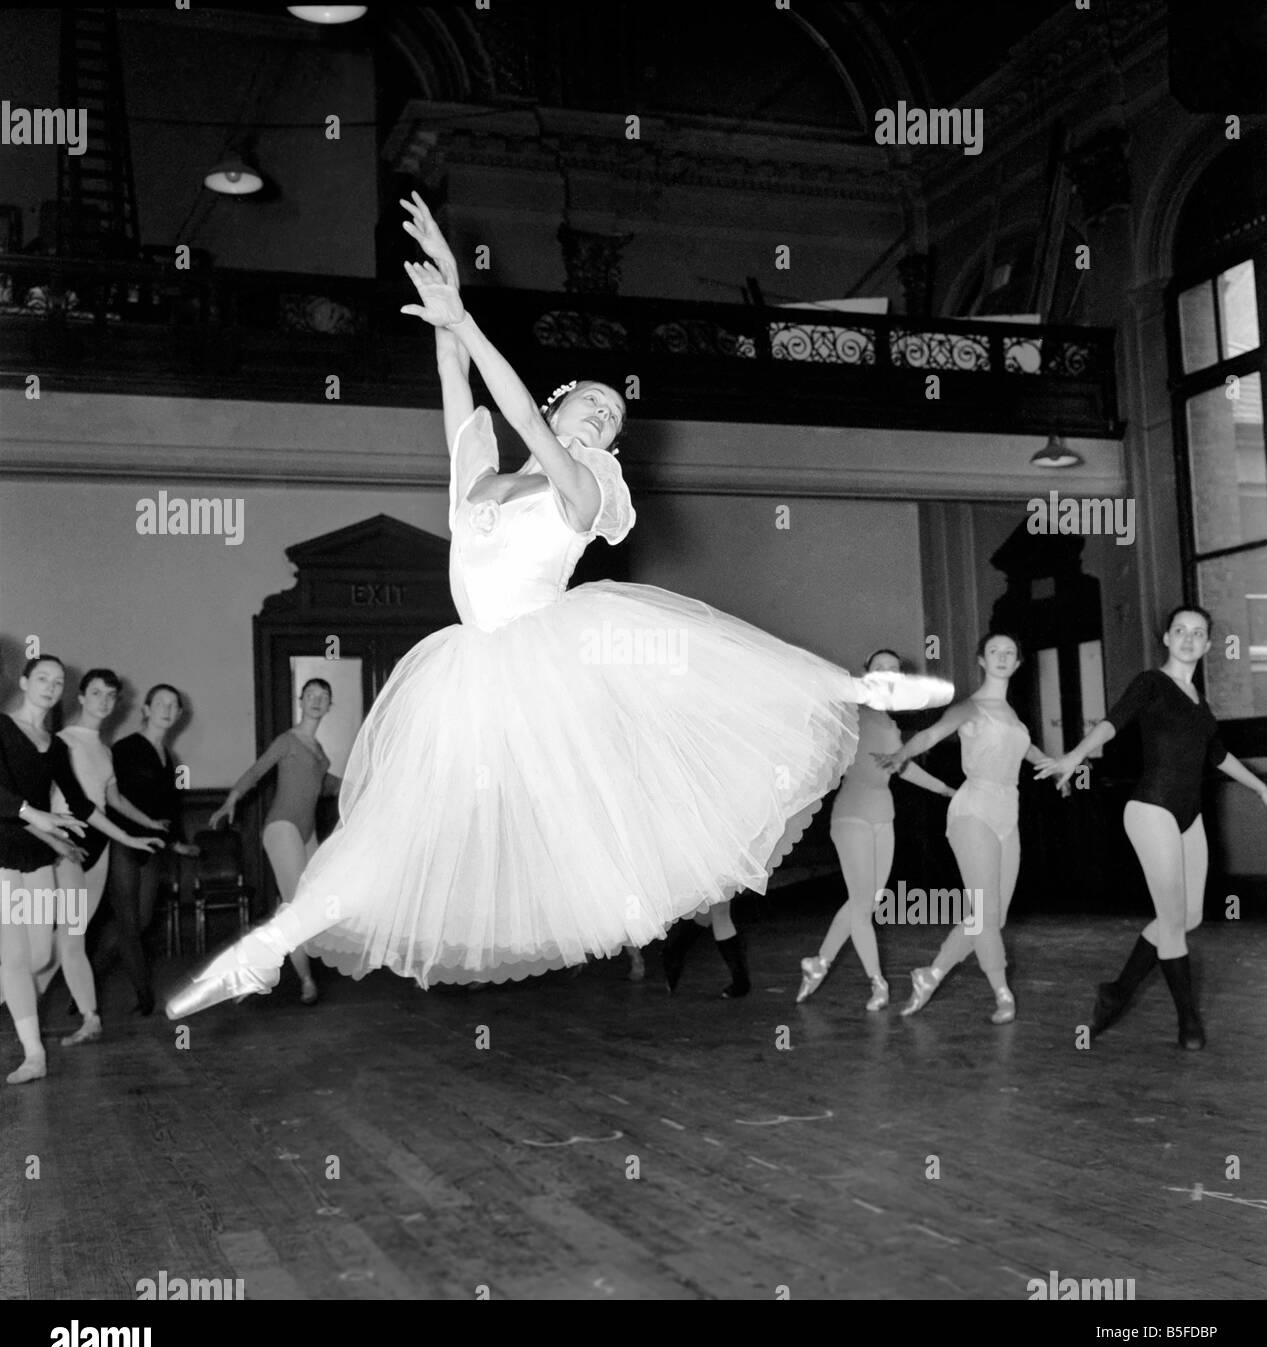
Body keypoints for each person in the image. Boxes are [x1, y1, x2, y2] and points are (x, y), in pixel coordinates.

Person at [165, 194, 952, 1019]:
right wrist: (442, 312)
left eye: (612, 418)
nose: (603, 416)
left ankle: (851, 691)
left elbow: (519, 419)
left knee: (689, 674)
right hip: (469, 669)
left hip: (552, 654)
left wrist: (466, 319)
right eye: (591, 402)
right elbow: (457, 388)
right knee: (392, 836)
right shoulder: (480, 478)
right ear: (559, 401)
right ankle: (267, 949)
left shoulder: (588, 487)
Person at [1038, 605, 1267, 1049]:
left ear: (1207, 643)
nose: (1187, 638)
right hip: (1150, 809)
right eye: (1179, 630)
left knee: (1190, 915)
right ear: (1166, 638)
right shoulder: (1151, 684)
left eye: (1197, 633)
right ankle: (1189, 1023)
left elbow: (1217, 755)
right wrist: (1073, 756)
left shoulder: (1201, 704)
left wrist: (1260, 787)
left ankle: (1118, 991)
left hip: (1188, 815)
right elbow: (1112, 722)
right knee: (1172, 920)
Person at [0, 656, 163, 1083]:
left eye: (57, 681)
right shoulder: (1, 729)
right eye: (42, 679)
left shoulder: (55, 746)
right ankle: (34, 1055)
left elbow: (83, 802)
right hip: (5, 849)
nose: (50, 687)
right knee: (15, 957)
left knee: (39, 953)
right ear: (23, 682)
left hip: (37, 853)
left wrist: (127, 837)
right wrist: (40, 820)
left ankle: (56, 1015)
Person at [877, 632, 1053, 1025]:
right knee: (986, 915)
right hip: (973, 812)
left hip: (1009, 811)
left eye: (1010, 652)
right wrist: (901, 753)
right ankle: (1002, 992)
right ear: (982, 660)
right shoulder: (970, 708)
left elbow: (1033, 755)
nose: (1003, 657)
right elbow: (931, 734)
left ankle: (932, 973)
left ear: (1018, 663)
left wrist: (1063, 766)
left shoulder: (1015, 718)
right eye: (995, 651)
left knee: (992, 916)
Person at [797, 648, 956, 1009]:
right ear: (866, 672)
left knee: (864, 903)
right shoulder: (850, 713)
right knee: (861, 902)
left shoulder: (889, 724)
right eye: (880, 667)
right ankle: (878, 983)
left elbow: (902, 768)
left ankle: (819, 962)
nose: (887, 673)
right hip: (851, 815)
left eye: (894, 670)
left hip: (883, 817)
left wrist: (946, 790)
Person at [38, 668, 169, 1044]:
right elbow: (72, 804)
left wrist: (148, 828)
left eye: (111, 696)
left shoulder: (104, 750)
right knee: (42, 945)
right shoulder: (60, 742)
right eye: (96, 693)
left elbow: (113, 800)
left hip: (98, 851)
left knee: (71, 940)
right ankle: (21, 1004)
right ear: (81, 698)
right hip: (65, 849)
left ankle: (89, 1019)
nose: (105, 702)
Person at [208, 678, 342, 1004]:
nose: (316, 700)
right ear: (301, 701)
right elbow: (256, 771)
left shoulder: (320, 752)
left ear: (329, 706)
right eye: (311, 695)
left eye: (323, 697)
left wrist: (363, 784)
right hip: (281, 827)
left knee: (300, 905)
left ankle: (253, 960)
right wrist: (231, 801)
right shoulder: (287, 741)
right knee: (299, 907)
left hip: (307, 832)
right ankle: (306, 980)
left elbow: (323, 785)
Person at [107, 684, 200, 1016]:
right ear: (145, 709)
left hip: (154, 845)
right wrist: (142, 826)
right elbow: (113, 799)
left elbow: (171, 807)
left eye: (174, 704)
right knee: (129, 923)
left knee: (139, 922)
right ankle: (144, 996)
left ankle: (84, 975)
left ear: (178, 715)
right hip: (123, 840)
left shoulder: (170, 759)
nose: (167, 708)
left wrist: (177, 842)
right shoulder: (126, 748)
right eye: (160, 702)